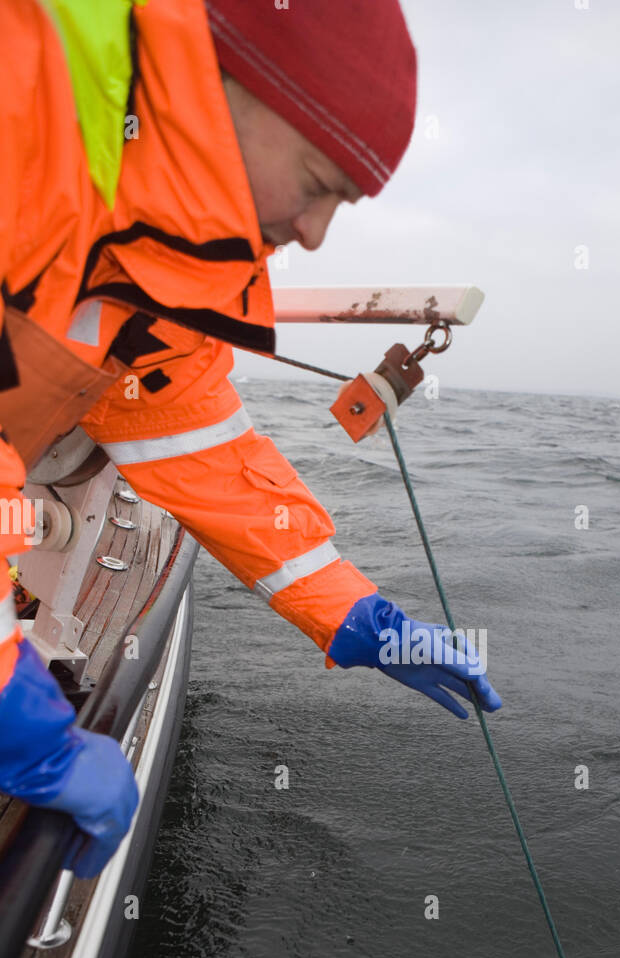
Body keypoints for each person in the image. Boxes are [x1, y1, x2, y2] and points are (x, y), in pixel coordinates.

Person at [0, 0, 501, 880]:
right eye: (319, 183)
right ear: (226, 82)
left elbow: (186, 438)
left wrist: (354, 612)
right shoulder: (20, 94)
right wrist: (24, 726)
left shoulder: (169, 261)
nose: (313, 233)